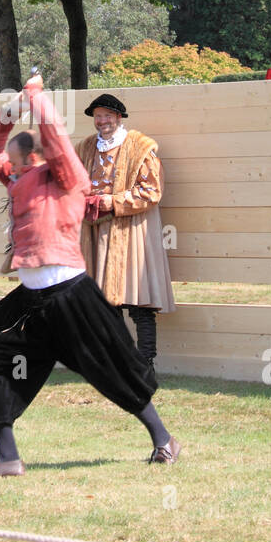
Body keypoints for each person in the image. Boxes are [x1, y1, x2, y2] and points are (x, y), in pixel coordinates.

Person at [0, 73, 180, 482]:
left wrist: (37, 98)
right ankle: (7, 458)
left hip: (71, 294)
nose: (10, 165)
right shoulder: (17, 178)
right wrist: (10, 111)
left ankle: (164, 438)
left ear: (37, 157)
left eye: (20, 158)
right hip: (30, 301)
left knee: (112, 368)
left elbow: (57, 139)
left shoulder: (69, 177)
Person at [76, 93, 175, 369]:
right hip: (96, 233)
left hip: (132, 232)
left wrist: (113, 201)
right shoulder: (85, 148)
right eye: (97, 116)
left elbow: (151, 192)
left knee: (139, 302)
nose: (102, 121)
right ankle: (119, 364)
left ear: (119, 117)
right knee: (106, 305)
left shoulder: (140, 147)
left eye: (107, 115)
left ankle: (145, 364)